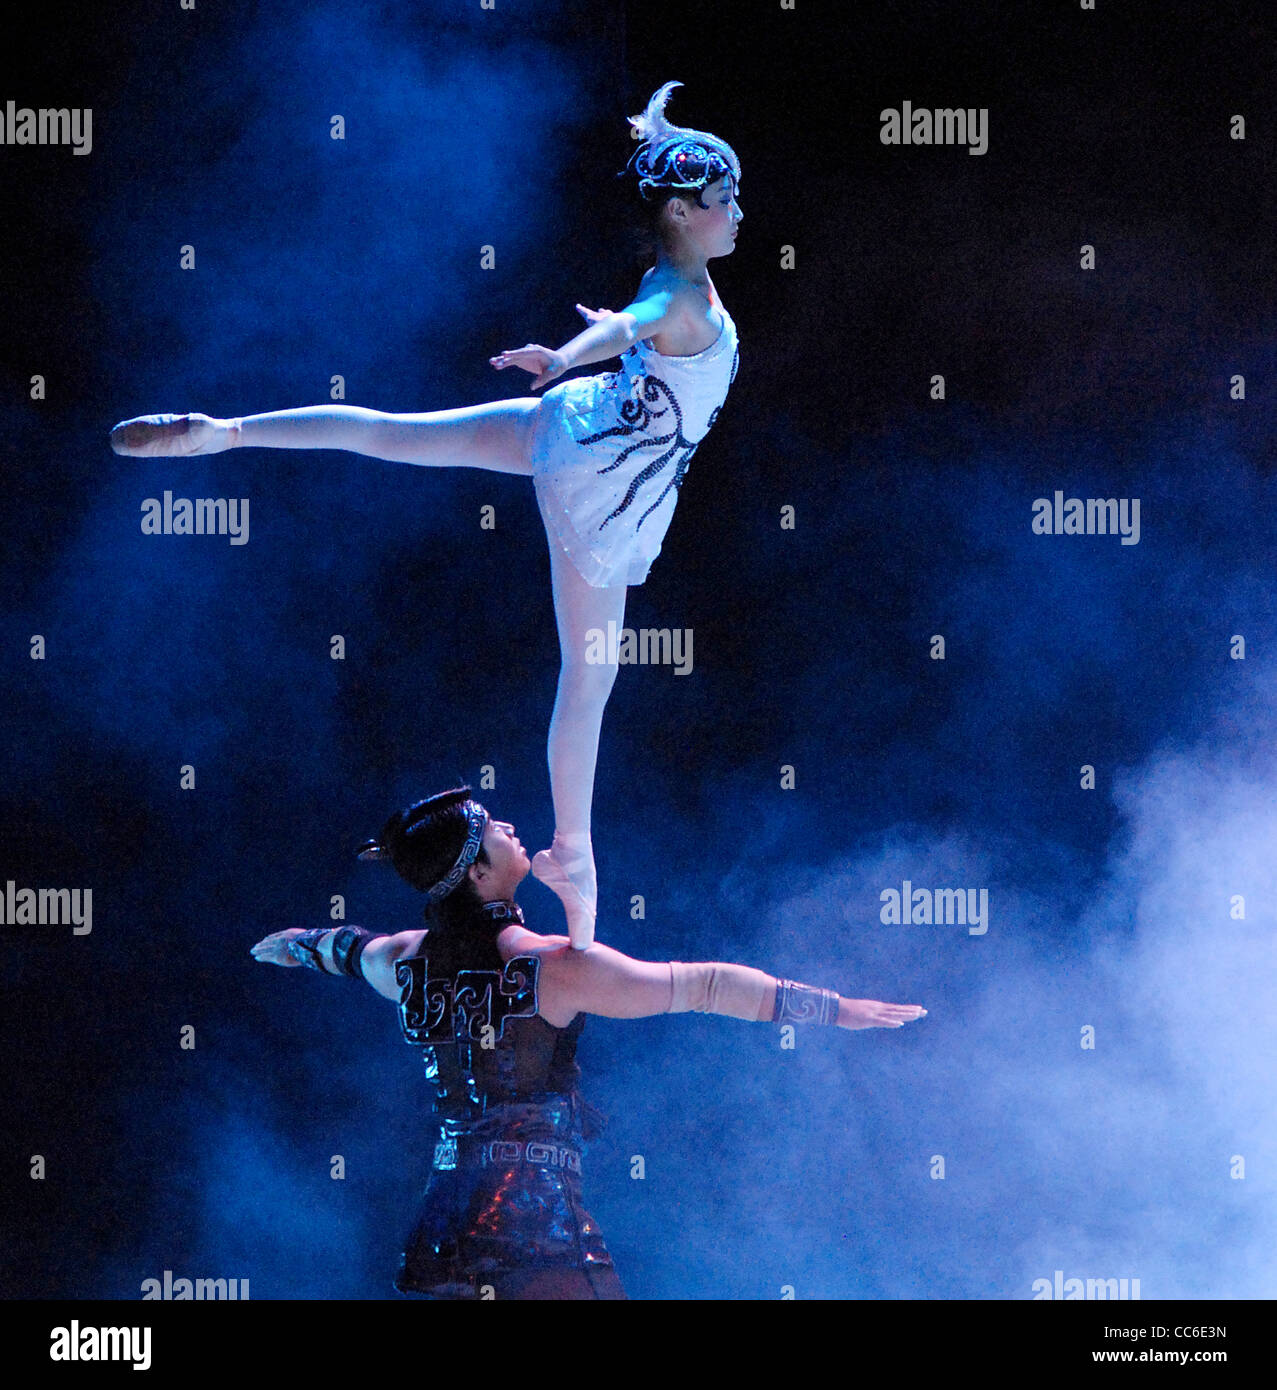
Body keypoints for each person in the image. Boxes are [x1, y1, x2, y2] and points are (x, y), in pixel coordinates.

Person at [114, 82, 744, 952]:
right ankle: (573, 858)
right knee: (587, 678)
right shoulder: (677, 295)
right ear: (680, 210)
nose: (736, 214)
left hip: (576, 428)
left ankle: (223, 433)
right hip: (603, 474)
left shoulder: (672, 281)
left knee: (389, 435)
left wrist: (604, 342)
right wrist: (570, 349)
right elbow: (633, 328)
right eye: (722, 202)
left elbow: (636, 330)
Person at [249, 786, 927, 1301]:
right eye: (493, 829)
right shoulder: (554, 967)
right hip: (533, 1230)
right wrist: (837, 1009)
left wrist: (293, 946)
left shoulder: (403, 961)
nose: (510, 827)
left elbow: (339, 948)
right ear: (476, 873)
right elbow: (710, 986)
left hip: (443, 1227)